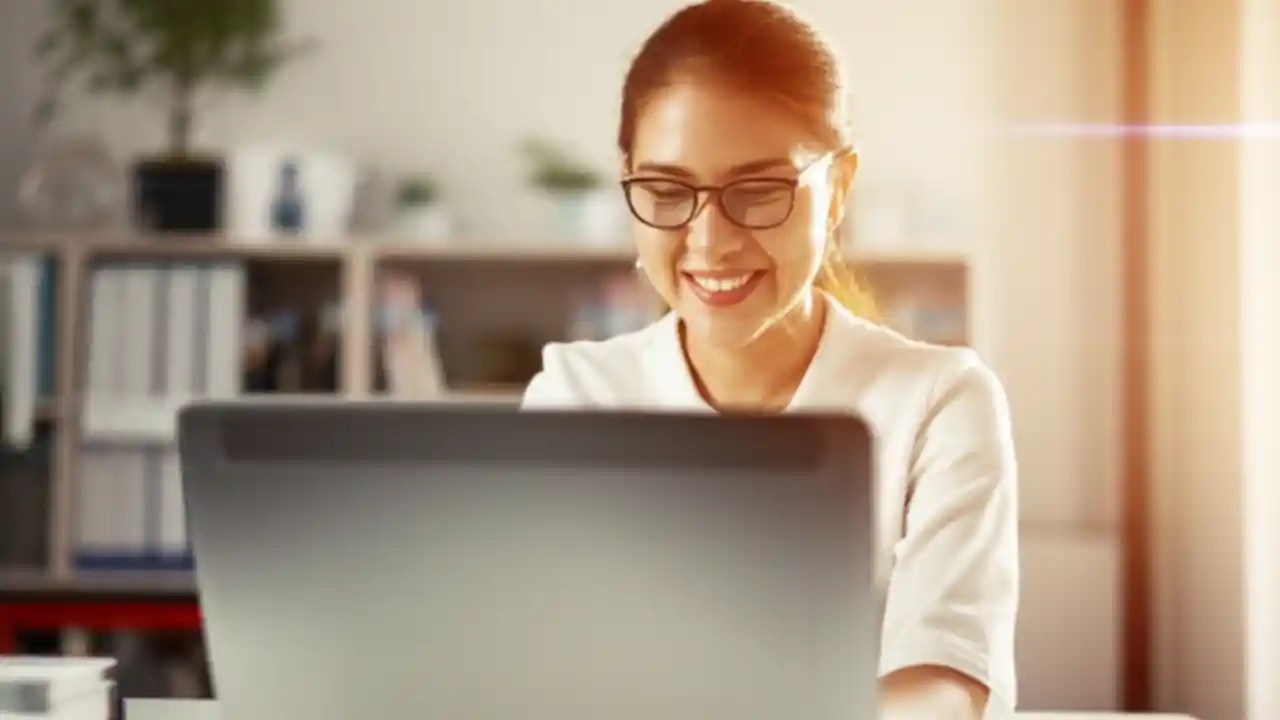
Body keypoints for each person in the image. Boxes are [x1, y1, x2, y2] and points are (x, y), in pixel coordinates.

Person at [519, 1, 1019, 719]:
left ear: (839, 187)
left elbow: (941, 684)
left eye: (757, 192)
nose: (710, 241)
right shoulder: (578, 395)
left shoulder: (939, 401)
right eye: (666, 191)